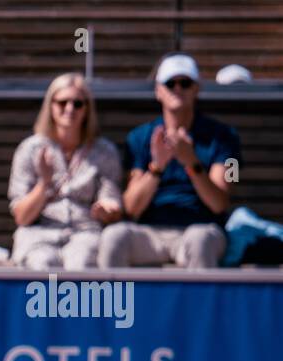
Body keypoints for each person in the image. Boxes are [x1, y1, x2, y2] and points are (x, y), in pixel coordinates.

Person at [98, 54, 239, 269]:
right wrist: (157, 167)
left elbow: (220, 202)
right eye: (170, 83)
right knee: (114, 236)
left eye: (185, 83)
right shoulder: (139, 137)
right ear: (158, 90)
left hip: (202, 229)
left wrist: (190, 162)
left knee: (200, 240)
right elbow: (131, 207)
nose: (178, 89)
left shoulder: (226, 137)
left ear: (196, 88)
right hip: (150, 232)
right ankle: (112, 304)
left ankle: (199, 305)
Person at [7, 73, 121, 270]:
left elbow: (112, 205)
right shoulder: (30, 149)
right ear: (51, 106)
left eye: (77, 103)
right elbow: (22, 217)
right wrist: (44, 183)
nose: (70, 109)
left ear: (87, 109)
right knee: (41, 265)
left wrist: (106, 210)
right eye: (62, 102)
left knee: (81, 265)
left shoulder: (104, 151)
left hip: (85, 232)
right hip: (39, 233)